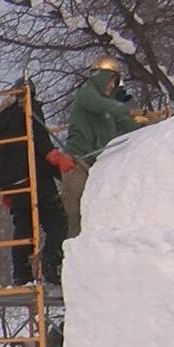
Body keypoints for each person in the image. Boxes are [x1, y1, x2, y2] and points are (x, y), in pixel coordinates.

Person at [0, 80, 73, 286]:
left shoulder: (0, 122)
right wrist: (56, 159)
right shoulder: (29, 108)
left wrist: (5, 189)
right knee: (57, 222)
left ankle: (21, 275)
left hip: (15, 184)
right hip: (36, 178)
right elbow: (39, 137)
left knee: (24, 227)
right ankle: (50, 262)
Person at [60, 55, 144, 238]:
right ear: (103, 77)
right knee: (76, 220)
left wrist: (148, 118)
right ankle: (71, 261)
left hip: (96, 169)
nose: (113, 86)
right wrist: (133, 111)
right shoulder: (87, 95)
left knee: (94, 219)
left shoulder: (110, 109)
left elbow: (128, 121)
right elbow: (111, 107)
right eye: (112, 80)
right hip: (77, 166)